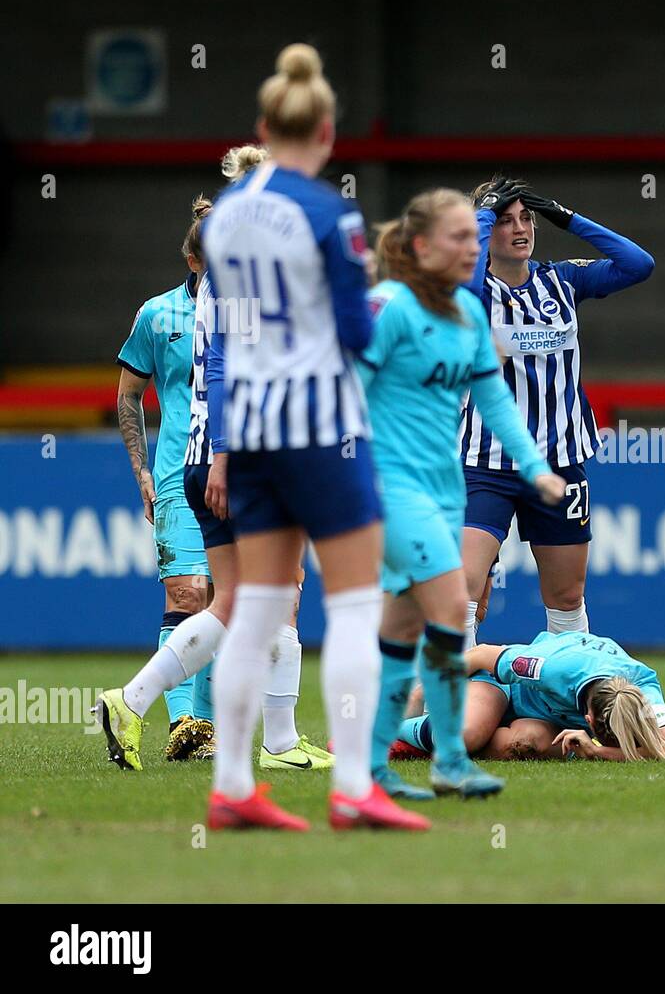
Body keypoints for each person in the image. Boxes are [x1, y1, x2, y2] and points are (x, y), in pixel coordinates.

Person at [202, 44, 427, 830]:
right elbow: (357, 329)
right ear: (327, 132)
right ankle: (354, 786)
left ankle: (232, 785)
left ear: (266, 125)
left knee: (258, 610)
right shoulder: (330, 213)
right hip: (323, 428)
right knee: (357, 605)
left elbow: (228, 332)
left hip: (254, 428)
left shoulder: (225, 214)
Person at [97, 149, 331, 773]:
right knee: (280, 593)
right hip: (241, 453)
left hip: (214, 452)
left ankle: (129, 700)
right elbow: (227, 368)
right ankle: (278, 744)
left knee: (229, 600)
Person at [360, 188, 566, 800]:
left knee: (400, 629)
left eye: (472, 238)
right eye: (460, 236)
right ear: (421, 247)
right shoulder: (388, 308)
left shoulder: (469, 315)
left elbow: (495, 401)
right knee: (454, 606)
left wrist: (534, 466)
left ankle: (369, 766)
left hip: (445, 489)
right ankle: (450, 756)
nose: (471, 248)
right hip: (392, 489)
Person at [459, 177, 654, 648]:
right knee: (461, 592)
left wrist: (564, 215)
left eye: (526, 218)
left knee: (567, 596)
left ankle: (569, 698)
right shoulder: (470, 290)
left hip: (560, 462)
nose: (520, 229)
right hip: (486, 463)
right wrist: (482, 215)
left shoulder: (562, 279)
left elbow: (638, 264)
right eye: (505, 222)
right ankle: (448, 707)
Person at [112, 201, 213, 762]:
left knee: (226, 603)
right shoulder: (159, 315)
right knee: (188, 593)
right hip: (178, 476)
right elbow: (129, 394)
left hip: (240, 475)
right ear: (195, 259)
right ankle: (184, 724)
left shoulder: (253, 315)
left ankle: (207, 724)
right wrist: (142, 469)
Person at [396, 631, 665, 762]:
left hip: (540, 720)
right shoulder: (554, 670)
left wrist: (596, 752)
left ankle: (429, 739)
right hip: (501, 688)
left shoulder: (639, 691)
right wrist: (422, 692)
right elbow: (482, 654)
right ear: (588, 720)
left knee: (526, 743)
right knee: (467, 735)